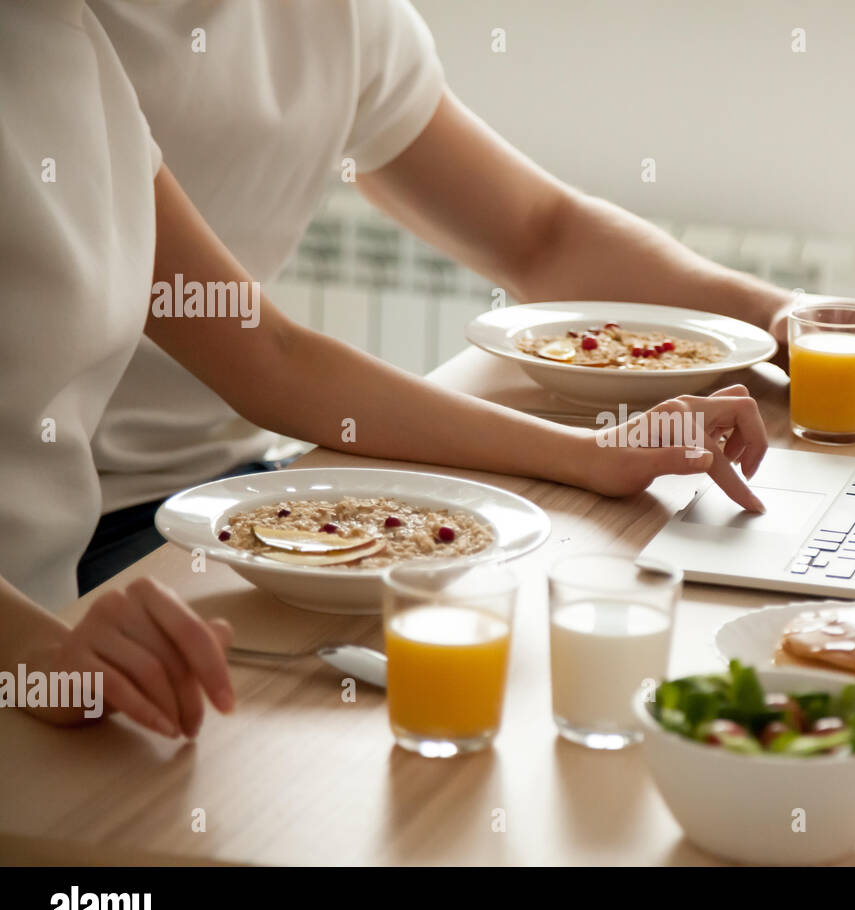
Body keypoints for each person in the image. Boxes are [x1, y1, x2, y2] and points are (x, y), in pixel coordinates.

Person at [0, 1, 768, 739]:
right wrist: (32, 654)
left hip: (55, 602)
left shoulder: (79, 53)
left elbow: (272, 355)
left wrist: (594, 453)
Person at [80, 0, 855, 590]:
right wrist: (592, 455)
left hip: (233, 481)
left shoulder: (344, 19)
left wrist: (778, 315)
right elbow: (271, 359)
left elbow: (539, 233)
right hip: (80, 526)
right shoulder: (61, 41)